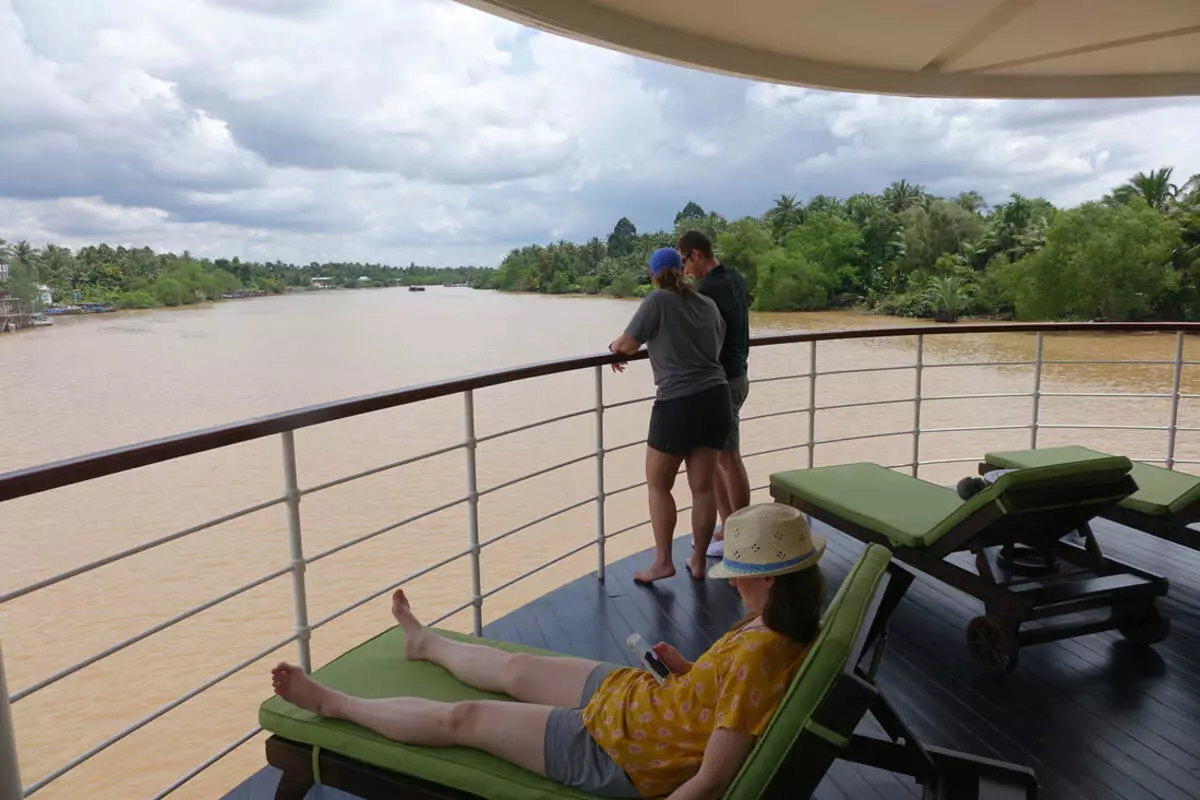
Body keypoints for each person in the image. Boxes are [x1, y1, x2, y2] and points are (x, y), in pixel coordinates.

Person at [270, 502, 827, 800]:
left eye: (741, 574)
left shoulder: (764, 653)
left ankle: (335, 706)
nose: (731, 583)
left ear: (774, 579)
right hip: (641, 700)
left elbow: (711, 779)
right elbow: (727, 698)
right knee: (518, 667)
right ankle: (426, 644)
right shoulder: (777, 625)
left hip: (619, 751)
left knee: (467, 718)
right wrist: (684, 671)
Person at [608, 247, 732, 583]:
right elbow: (714, 348)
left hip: (678, 403)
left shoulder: (657, 301)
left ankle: (663, 561)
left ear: (653, 275)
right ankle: (699, 561)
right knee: (703, 488)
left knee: (658, 484)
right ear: (684, 270)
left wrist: (614, 348)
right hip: (717, 398)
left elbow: (628, 344)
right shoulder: (707, 305)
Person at [678, 230, 752, 559]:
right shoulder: (732, 278)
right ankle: (729, 527)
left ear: (696, 254)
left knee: (728, 458)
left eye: (684, 261)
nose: (684, 269)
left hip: (725, 381)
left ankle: (741, 532)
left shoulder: (708, 290)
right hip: (736, 375)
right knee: (718, 458)